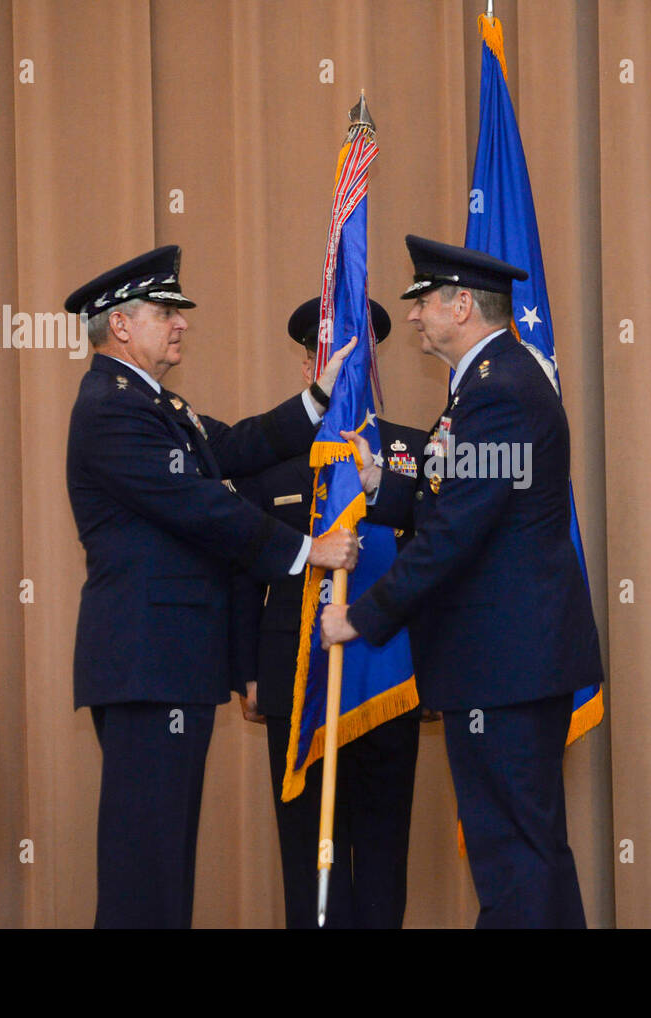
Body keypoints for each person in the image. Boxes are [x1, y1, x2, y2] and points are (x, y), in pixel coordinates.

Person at [64, 245, 358, 928]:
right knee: (146, 866)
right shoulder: (110, 408)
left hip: (171, 663)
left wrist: (315, 399)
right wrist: (307, 551)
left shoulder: (154, 402)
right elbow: (199, 505)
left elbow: (233, 448)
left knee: (163, 859)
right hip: (147, 662)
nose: (181, 325)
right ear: (122, 327)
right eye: (166, 312)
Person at [320, 235, 604, 928]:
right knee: (525, 848)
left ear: (463, 305)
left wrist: (362, 616)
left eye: (423, 301)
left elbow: (457, 531)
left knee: (513, 853)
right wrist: (386, 486)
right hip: (502, 659)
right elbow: (458, 493)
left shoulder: (500, 389)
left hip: (506, 660)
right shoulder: (483, 382)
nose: (412, 315)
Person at [232, 296, 427, 928]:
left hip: (387, 670)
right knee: (305, 852)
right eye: (329, 344)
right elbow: (243, 567)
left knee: (382, 848)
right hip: (296, 675)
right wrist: (246, 669)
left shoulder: (411, 452)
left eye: (355, 343)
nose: (343, 356)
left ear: (373, 352)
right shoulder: (273, 452)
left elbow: (440, 559)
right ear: (311, 354)